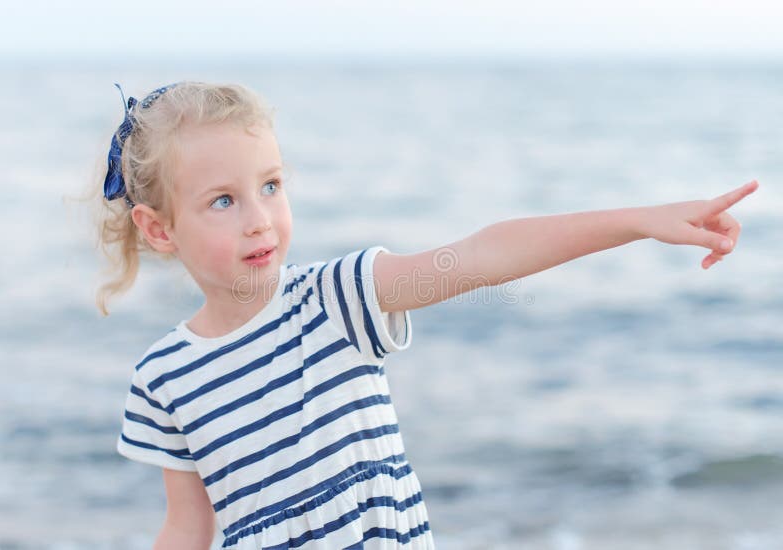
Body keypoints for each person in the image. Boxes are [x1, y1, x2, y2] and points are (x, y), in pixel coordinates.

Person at [95, 81, 758, 550]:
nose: (260, 218)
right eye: (223, 201)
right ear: (158, 229)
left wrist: (640, 221)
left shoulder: (336, 300)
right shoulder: (163, 377)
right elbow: (187, 528)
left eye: (270, 185)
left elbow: (481, 257)